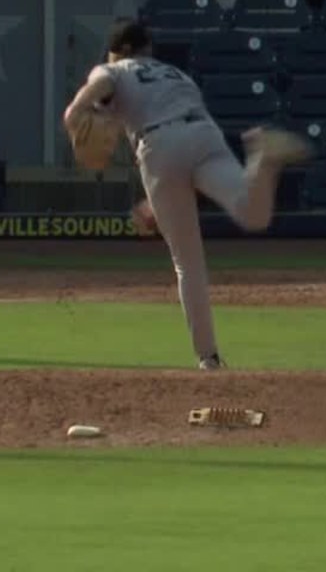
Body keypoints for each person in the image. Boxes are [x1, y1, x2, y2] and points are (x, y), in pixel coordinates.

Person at [63, 20, 311, 371]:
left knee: (188, 264)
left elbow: (92, 95)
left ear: (117, 51)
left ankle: (207, 358)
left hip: (158, 142)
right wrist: (156, 202)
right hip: (205, 134)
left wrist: (74, 113)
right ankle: (263, 159)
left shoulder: (112, 68)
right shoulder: (178, 76)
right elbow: (185, 166)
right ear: (148, 49)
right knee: (252, 214)